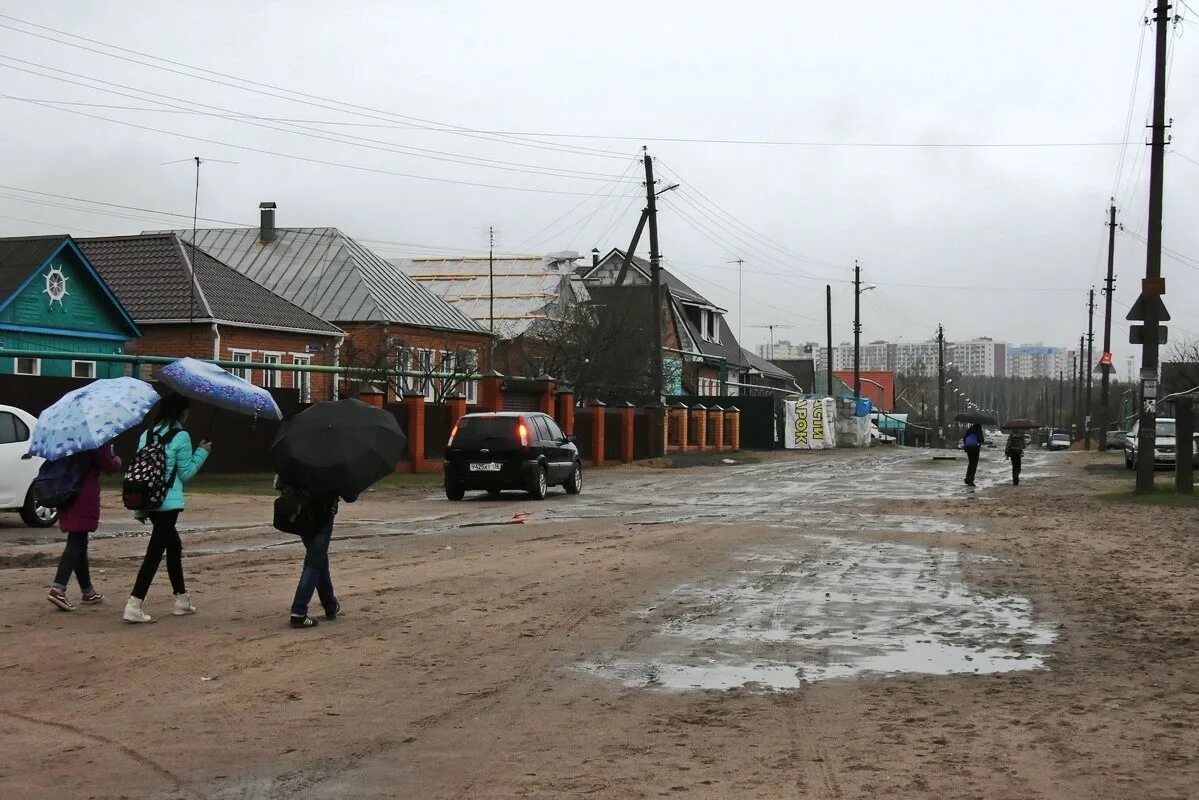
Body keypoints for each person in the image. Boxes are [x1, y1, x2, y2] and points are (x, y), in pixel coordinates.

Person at [123, 394, 211, 624]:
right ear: (181, 412)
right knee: (154, 553)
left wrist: (140, 509)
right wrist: (202, 452)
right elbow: (186, 473)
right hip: (168, 503)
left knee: (173, 546)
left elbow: (140, 473)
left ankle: (182, 599)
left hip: (148, 500)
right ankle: (134, 603)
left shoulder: (147, 434)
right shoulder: (181, 436)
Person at [46, 444, 123, 611]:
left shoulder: (64, 438)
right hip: (83, 493)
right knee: (77, 540)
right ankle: (58, 588)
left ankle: (88, 591)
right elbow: (106, 463)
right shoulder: (94, 440)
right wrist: (116, 461)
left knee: (80, 539)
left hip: (65, 490)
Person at [277, 476, 357, 629]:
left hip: (300, 511)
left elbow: (281, 483)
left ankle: (329, 604)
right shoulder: (334, 465)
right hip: (322, 514)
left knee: (318, 558)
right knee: (314, 562)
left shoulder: (299, 461)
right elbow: (350, 496)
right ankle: (299, 611)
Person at [962, 423, 983, 487]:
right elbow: (982, 440)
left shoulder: (969, 430)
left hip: (969, 449)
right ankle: (971, 480)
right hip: (976, 449)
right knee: (974, 464)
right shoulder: (978, 431)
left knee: (970, 463)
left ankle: (967, 478)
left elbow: (964, 439)